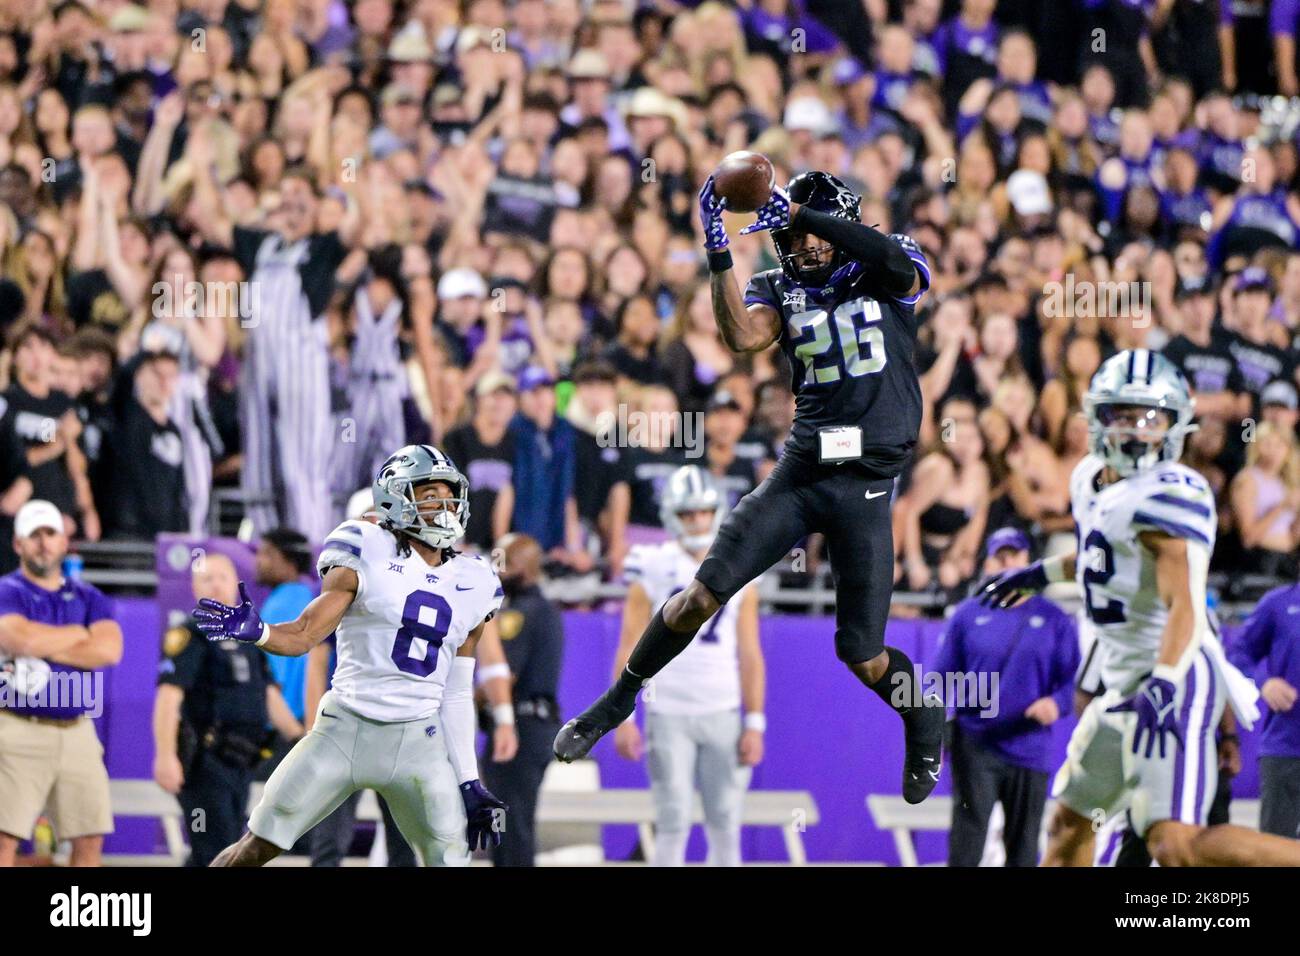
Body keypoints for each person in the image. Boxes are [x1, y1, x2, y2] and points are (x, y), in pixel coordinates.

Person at [555, 169, 947, 806]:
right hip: (802, 473)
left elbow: (896, 268)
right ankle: (617, 701)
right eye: (790, 239)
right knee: (698, 596)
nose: (800, 250)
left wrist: (803, 214)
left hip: (869, 484)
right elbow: (741, 336)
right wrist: (717, 253)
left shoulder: (887, 262)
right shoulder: (780, 285)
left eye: (809, 236)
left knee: (863, 653)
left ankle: (922, 717)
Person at [981, 349, 1300, 866]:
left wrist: (1165, 682)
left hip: (1170, 678)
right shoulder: (1089, 477)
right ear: (1098, 416)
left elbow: (1185, 605)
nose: (1137, 430)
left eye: (1152, 418)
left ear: (1175, 425)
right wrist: (1040, 573)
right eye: (1124, 415)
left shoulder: (1173, 493)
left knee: (1174, 844)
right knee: (1068, 827)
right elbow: (1101, 557)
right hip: (1121, 682)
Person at [192, 445, 509, 867]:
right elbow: (305, 634)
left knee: (451, 859)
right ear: (397, 497)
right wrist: (262, 632)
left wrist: (469, 780)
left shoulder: (475, 579)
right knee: (258, 844)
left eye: (449, 494)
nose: (444, 504)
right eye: (429, 493)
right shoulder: (365, 547)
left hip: (419, 740)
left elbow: (455, 693)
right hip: (345, 729)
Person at [613, 466, 765, 866]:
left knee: (725, 822)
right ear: (670, 515)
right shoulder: (651, 563)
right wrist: (623, 718)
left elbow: (750, 652)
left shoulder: (740, 565)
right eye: (687, 513)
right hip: (669, 711)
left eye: (703, 511)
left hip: (723, 709)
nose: (697, 520)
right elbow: (628, 645)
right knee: (672, 821)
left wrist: (755, 722)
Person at [936, 527, 1078, 867]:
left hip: (1029, 747)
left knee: (1024, 845)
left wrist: (1055, 704)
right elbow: (940, 681)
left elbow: (1074, 682)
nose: (1007, 562)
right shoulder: (968, 615)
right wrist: (934, 734)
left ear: (1028, 560)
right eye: (999, 555)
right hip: (976, 743)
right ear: (987, 563)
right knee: (968, 840)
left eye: (1014, 554)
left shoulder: (1056, 620)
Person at [153, 552, 303, 867]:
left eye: (223, 577)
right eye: (208, 578)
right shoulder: (191, 634)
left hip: (242, 763)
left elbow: (269, 696)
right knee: (213, 848)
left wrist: (302, 739)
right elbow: (169, 697)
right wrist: (165, 756)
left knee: (222, 850)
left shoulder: (248, 635)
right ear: (195, 588)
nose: (217, 585)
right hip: (204, 765)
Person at [0, 499, 122, 867]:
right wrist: (76, 633)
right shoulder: (8, 590)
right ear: (18, 544)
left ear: (64, 541)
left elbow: (109, 650)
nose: (42, 542)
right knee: (4, 837)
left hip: (76, 730)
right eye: (33, 535)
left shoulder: (89, 595)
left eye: (50, 533)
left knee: (89, 837)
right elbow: (19, 641)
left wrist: (41, 644)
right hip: (16, 727)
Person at [480, 532, 563, 867]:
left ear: (522, 568)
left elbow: (502, 674)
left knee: (510, 826)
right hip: (536, 726)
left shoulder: (520, 614)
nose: (496, 572)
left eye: (503, 563)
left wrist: (460, 701)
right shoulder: (543, 608)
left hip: (519, 729)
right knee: (513, 822)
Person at [1228, 582, 1300, 839]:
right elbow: (1238, 653)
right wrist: (1264, 681)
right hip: (1287, 747)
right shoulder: (1278, 604)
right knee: (1276, 848)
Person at [254, 527, 314, 722]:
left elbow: (272, 677)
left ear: (291, 562)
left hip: (285, 723)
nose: (259, 561)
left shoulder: (280, 605)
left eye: (268, 554)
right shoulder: (309, 596)